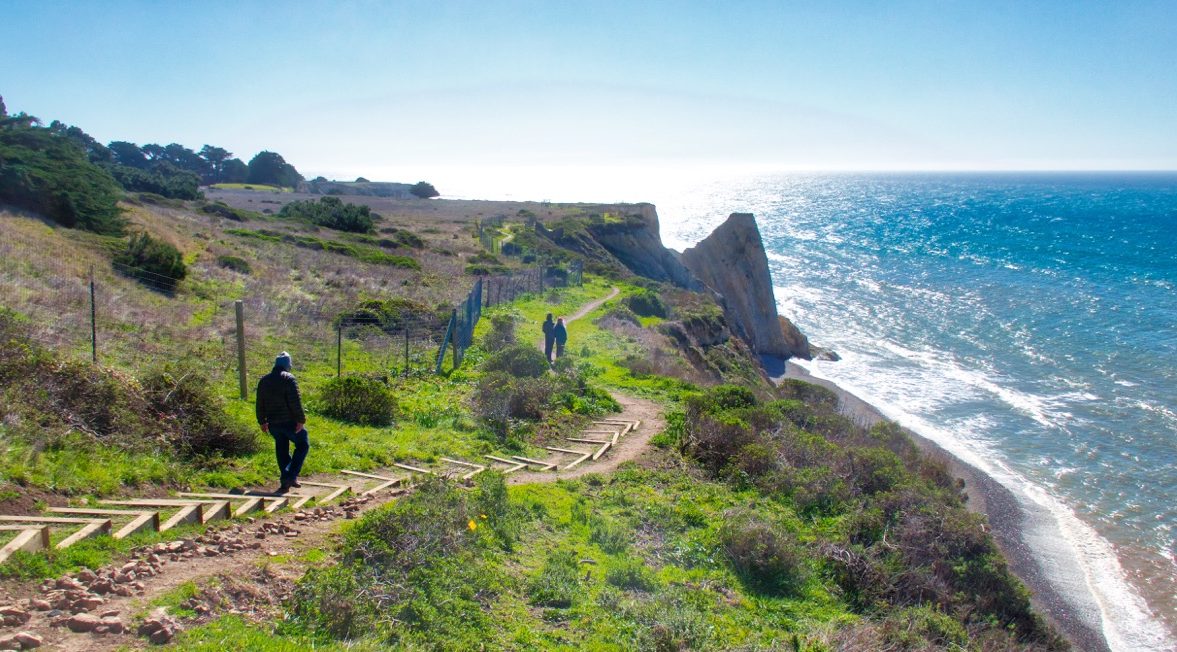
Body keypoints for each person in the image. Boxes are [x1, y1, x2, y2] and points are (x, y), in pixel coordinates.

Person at [255, 351, 309, 494]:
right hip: (289, 422)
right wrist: (300, 420)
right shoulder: (288, 379)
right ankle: (291, 475)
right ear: (287, 365)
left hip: (273, 423)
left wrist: (262, 421)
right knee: (303, 444)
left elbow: (259, 403)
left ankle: (286, 481)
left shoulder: (264, 380)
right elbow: (295, 402)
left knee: (281, 449)